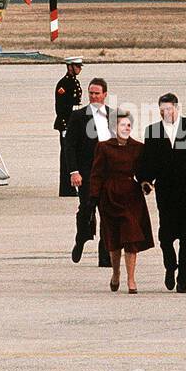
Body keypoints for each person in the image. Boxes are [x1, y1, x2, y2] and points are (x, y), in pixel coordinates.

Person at [136, 93, 186, 293]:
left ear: (177, 108)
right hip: (167, 191)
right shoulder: (153, 130)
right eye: (162, 110)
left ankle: (183, 280)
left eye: (169, 109)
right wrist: (145, 180)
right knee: (166, 236)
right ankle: (171, 266)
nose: (166, 113)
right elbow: (148, 160)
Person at [89, 111, 154, 293]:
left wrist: (146, 183)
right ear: (113, 128)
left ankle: (131, 279)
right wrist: (93, 198)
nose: (125, 128)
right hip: (110, 196)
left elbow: (142, 172)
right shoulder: (103, 147)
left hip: (131, 197)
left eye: (128, 125)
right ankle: (116, 273)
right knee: (114, 239)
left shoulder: (138, 147)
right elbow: (96, 174)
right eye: (121, 125)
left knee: (131, 237)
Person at [65, 76, 113, 266]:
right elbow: (69, 146)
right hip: (86, 174)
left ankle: (105, 255)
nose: (93, 96)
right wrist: (74, 171)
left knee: (107, 214)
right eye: (91, 93)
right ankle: (81, 238)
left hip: (108, 174)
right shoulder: (78, 116)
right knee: (86, 209)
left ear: (105, 94)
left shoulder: (115, 115)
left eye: (97, 93)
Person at [55, 57, 84, 197]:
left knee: (72, 154)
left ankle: (70, 187)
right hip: (66, 123)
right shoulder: (63, 83)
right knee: (66, 155)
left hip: (73, 122)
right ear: (70, 67)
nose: (79, 68)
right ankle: (66, 189)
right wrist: (66, 126)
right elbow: (61, 108)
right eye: (77, 66)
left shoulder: (74, 82)